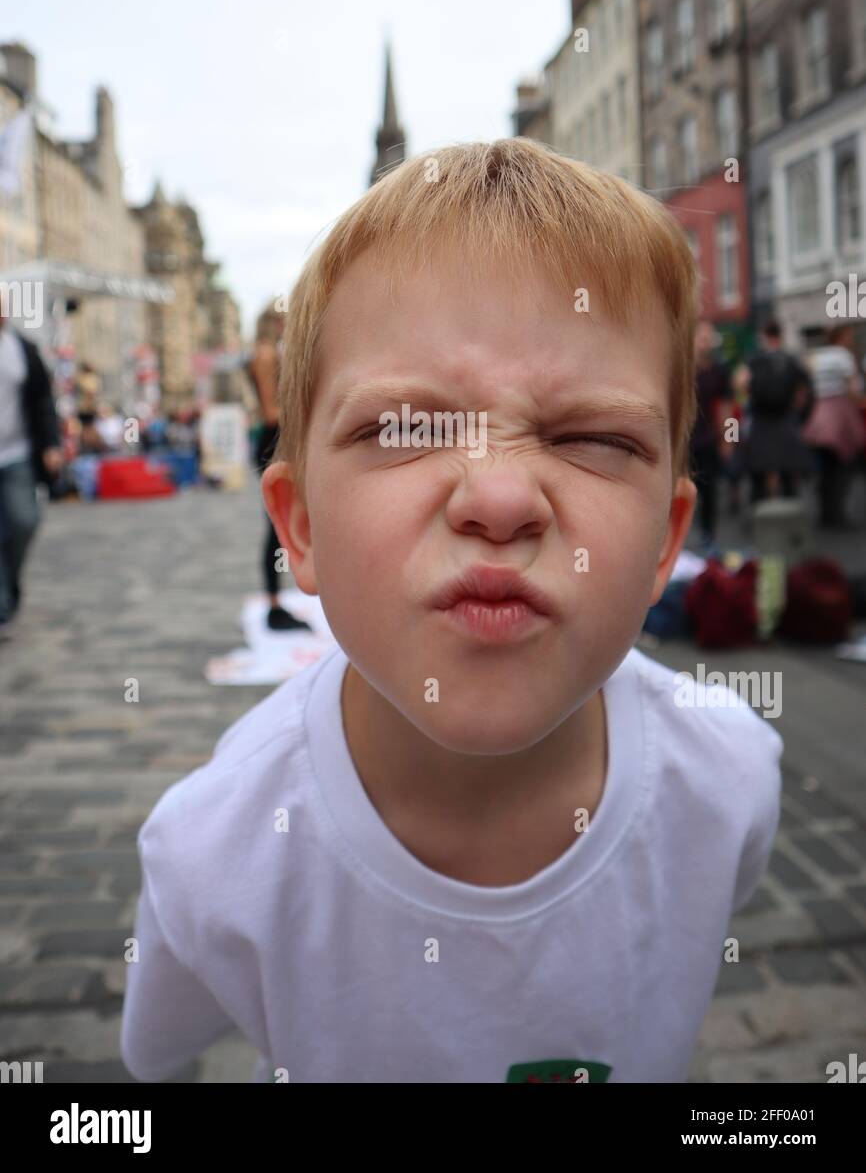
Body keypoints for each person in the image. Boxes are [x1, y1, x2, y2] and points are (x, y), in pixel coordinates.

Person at [121, 140, 782, 1085]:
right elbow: (152, 1064)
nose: (502, 496)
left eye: (592, 438)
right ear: (299, 526)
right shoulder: (212, 854)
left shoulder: (730, 779)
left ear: (667, 543)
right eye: (405, 429)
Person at [248, 304, 311, 633]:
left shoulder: (269, 353)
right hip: (274, 440)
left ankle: (278, 601)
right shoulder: (266, 354)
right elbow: (272, 412)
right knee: (277, 524)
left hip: (277, 439)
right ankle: (273, 605)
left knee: (282, 523)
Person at [0, 309, 63, 626]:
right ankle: (2, 602)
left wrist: (51, 444)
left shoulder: (22, 349)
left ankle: (9, 580)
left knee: (24, 520)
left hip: (17, 453)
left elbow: (42, 401)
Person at [736, 319, 814, 503]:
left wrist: (750, 399)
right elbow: (806, 387)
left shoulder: (754, 359)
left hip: (761, 420)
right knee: (788, 472)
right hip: (785, 419)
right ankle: (790, 513)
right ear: (780, 336)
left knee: (758, 472)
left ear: (764, 336)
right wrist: (798, 411)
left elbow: (740, 383)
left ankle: (759, 515)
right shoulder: (791, 359)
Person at [801, 323, 865, 528]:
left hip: (820, 413)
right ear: (843, 336)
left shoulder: (819, 356)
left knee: (825, 467)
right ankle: (837, 513)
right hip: (840, 411)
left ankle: (825, 511)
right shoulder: (844, 356)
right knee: (843, 464)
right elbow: (853, 387)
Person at [688, 320, 732, 545]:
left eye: (709, 339)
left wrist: (729, 440)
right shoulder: (682, 370)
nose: (706, 344)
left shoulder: (719, 371)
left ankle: (708, 535)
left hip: (706, 439)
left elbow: (727, 408)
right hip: (683, 440)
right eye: (702, 338)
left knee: (710, 491)